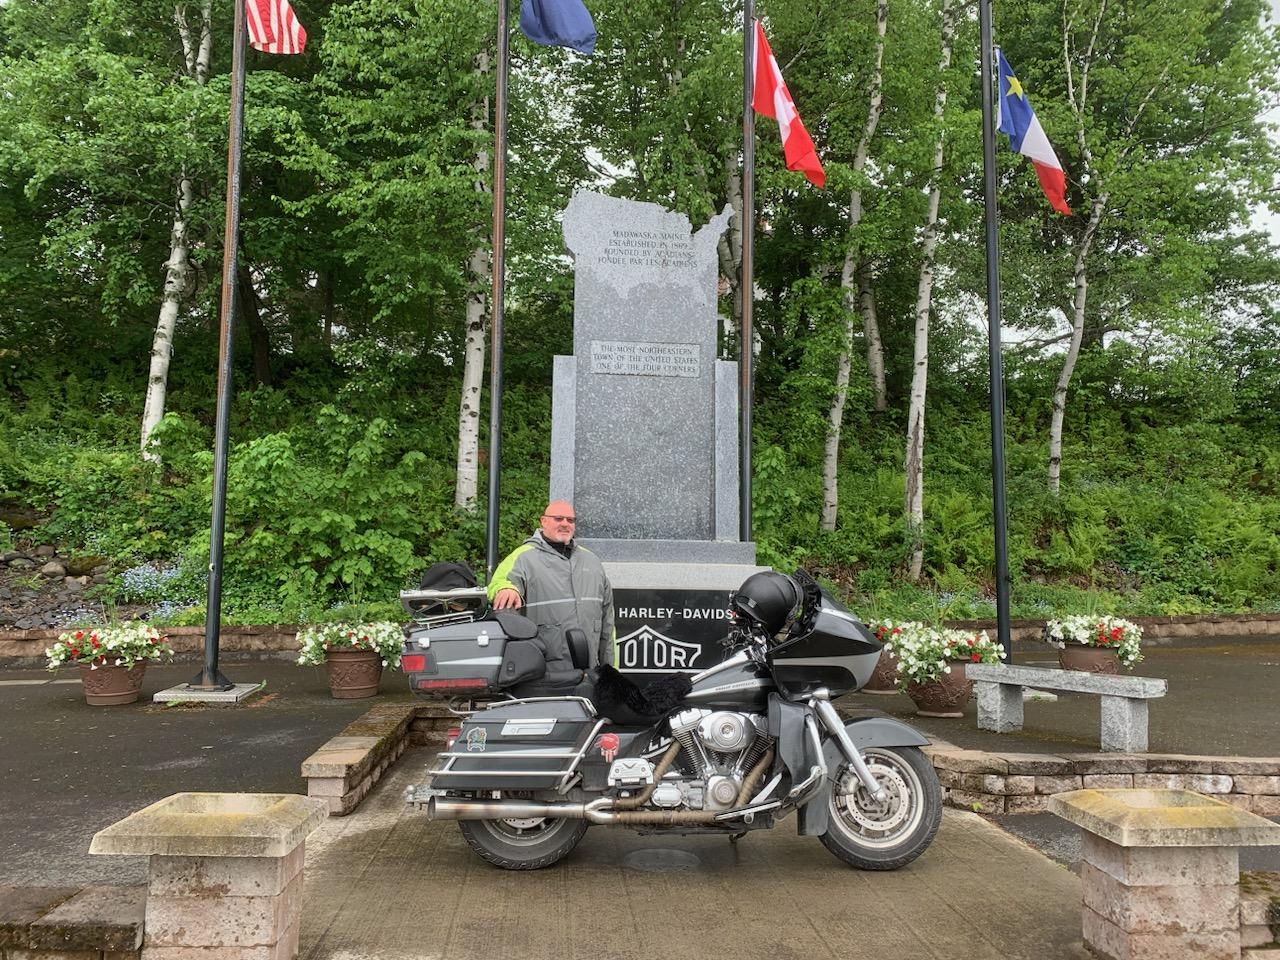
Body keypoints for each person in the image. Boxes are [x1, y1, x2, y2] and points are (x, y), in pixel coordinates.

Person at [489, 500, 615, 673]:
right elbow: (499, 582)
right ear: (544, 521)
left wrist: (610, 671)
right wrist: (506, 588)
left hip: (590, 673)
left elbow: (607, 623)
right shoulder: (523, 557)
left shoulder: (592, 561)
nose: (565, 524)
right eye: (558, 518)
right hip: (544, 673)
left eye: (570, 520)